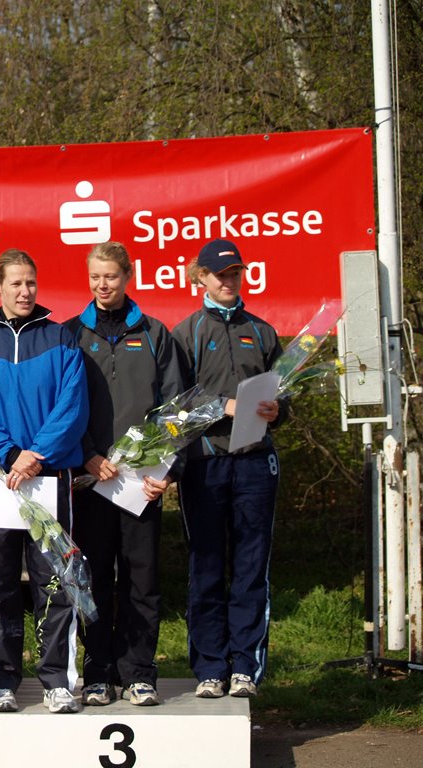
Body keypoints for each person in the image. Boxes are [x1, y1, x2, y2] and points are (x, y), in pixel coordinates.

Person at [0, 249, 88, 713]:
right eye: (15, 283)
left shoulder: (62, 338)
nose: (25, 291)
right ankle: (4, 680)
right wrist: (11, 455)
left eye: (30, 282)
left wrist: (35, 455)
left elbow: (72, 406)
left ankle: (56, 681)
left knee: (54, 582)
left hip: (47, 476)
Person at [63, 241, 185, 707]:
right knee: (92, 581)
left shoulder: (155, 334)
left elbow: (176, 412)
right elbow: (65, 409)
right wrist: (87, 456)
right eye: (95, 276)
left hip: (142, 487)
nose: (102, 284)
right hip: (92, 483)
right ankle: (97, 672)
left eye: (110, 275)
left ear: (127, 276)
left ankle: (138, 673)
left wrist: (167, 473)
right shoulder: (72, 334)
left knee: (141, 581)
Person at [172, 238, 285, 699]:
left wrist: (281, 409)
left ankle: (245, 667)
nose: (227, 281)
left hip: (257, 463)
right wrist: (224, 405)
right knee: (207, 566)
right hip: (206, 464)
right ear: (200, 277)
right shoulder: (187, 333)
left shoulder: (262, 331)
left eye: (234, 273)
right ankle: (210, 668)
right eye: (219, 274)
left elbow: (283, 388)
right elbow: (176, 405)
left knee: (251, 567)